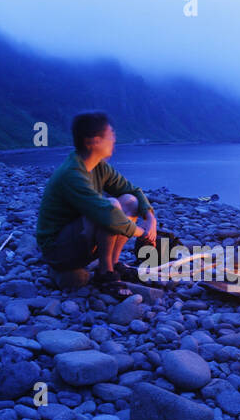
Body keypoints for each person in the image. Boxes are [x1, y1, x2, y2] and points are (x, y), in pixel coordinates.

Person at [36, 111, 157, 295]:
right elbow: (106, 214)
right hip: (57, 249)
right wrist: (142, 233)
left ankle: (112, 265)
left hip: (79, 237)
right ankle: (105, 274)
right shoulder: (72, 174)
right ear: (93, 141)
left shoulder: (99, 166)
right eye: (110, 135)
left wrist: (150, 218)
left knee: (129, 201)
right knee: (111, 206)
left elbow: (132, 190)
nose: (114, 139)